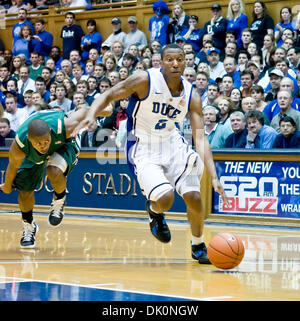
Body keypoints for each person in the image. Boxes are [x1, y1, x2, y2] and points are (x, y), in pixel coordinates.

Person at [72, 43, 228, 264]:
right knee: (166, 198)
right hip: (142, 145)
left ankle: (197, 244)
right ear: (161, 62)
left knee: (193, 196)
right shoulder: (144, 80)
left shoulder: (192, 95)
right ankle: (155, 211)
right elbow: (109, 94)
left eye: (180, 59)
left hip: (172, 143)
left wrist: (213, 176)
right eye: (170, 59)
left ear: (186, 62)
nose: (175, 63)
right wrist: (91, 114)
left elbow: (200, 138)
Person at [0, 105, 112, 249]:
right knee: (25, 190)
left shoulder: (65, 126)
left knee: (53, 170)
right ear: (29, 139)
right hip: (32, 153)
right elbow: (12, 166)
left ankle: (59, 200)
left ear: (50, 133)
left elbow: (83, 111)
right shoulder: (20, 145)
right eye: (38, 143)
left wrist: (105, 108)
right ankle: (29, 226)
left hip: (63, 142)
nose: (43, 147)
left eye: (46, 142)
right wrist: (8, 185)